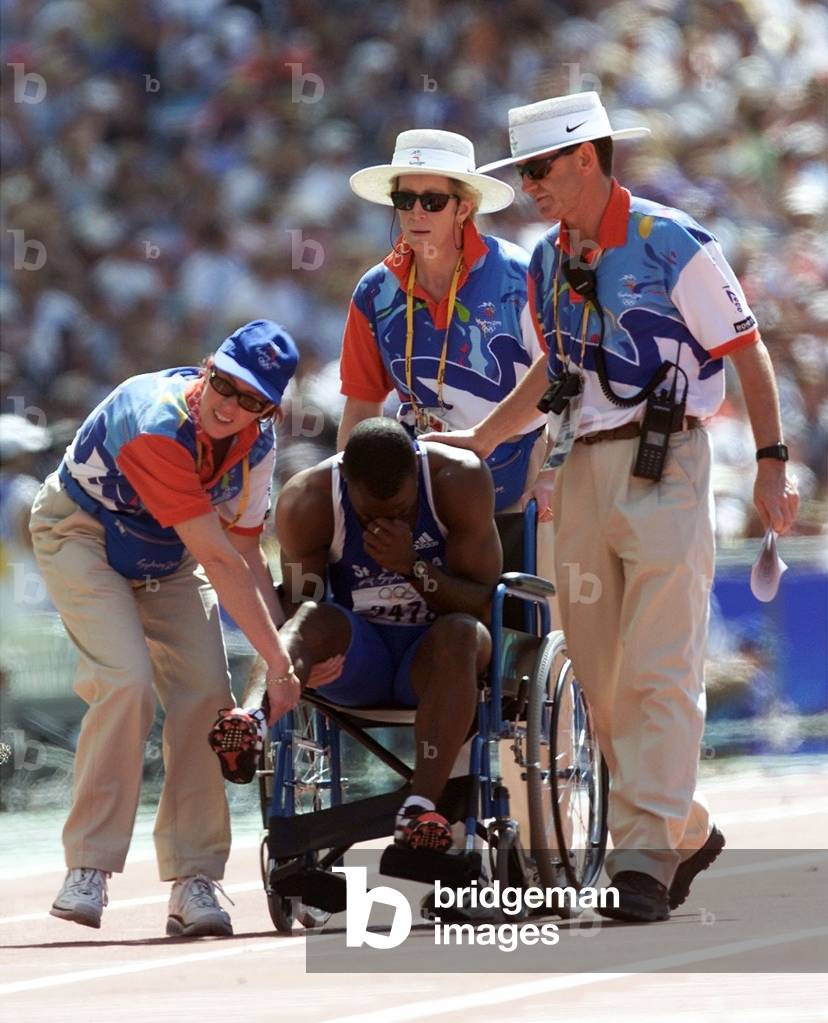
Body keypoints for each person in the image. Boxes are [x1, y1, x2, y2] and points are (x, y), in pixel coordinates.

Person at [424, 91, 800, 921]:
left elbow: (748, 350)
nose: (527, 185)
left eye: (539, 168)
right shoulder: (545, 261)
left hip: (667, 461)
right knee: (600, 686)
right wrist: (480, 442)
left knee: (662, 668)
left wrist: (772, 462)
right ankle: (684, 828)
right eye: (520, 171)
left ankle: (641, 865)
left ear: (586, 157)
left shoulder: (672, 240)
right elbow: (548, 372)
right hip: (579, 469)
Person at [29, 320, 303, 937]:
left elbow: (248, 553)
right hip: (83, 533)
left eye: (252, 400)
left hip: (168, 555)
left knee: (209, 694)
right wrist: (281, 668)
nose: (230, 407)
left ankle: (194, 879)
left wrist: (287, 652)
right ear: (207, 368)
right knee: (125, 681)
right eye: (225, 385)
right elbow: (220, 560)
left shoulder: (256, 447)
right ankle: (90, 867)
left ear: (270, 413)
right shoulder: (156, 425)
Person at [211, 417, 503, 851]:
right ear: (345, 478)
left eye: (402, 511)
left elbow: (485, 604)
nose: (385, 522)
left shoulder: (457, 478)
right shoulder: (308, 500)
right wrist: (309, 658)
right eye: (369, 515)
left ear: (415, 473)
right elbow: (297, 602)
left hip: (434, 662)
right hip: (359, 660)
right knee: (311, 617)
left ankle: (419, 807)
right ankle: (250, 721)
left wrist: (414, 567)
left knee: (463, 632)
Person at [338, 129, 549, 516]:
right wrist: (348, 499)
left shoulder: (519, 278)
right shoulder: (373, 293)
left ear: (464, 207)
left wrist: (551, 473)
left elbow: (559, 378)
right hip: (418, 491)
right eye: (405, 199)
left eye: (432, 201)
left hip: (520, 484)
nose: (416, 213)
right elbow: (360, 408)